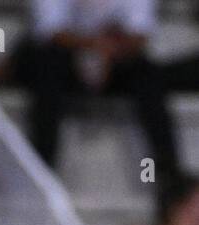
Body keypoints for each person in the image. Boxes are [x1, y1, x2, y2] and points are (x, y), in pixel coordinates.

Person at [16, 0, 179, 188]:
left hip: (114, 62)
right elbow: (49, 31)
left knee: (147, 74)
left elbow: (140, 35)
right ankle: (41, 171)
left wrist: (109, 51)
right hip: (65, 63)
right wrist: (94, 45)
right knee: (47, 65)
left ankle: (170, 177)